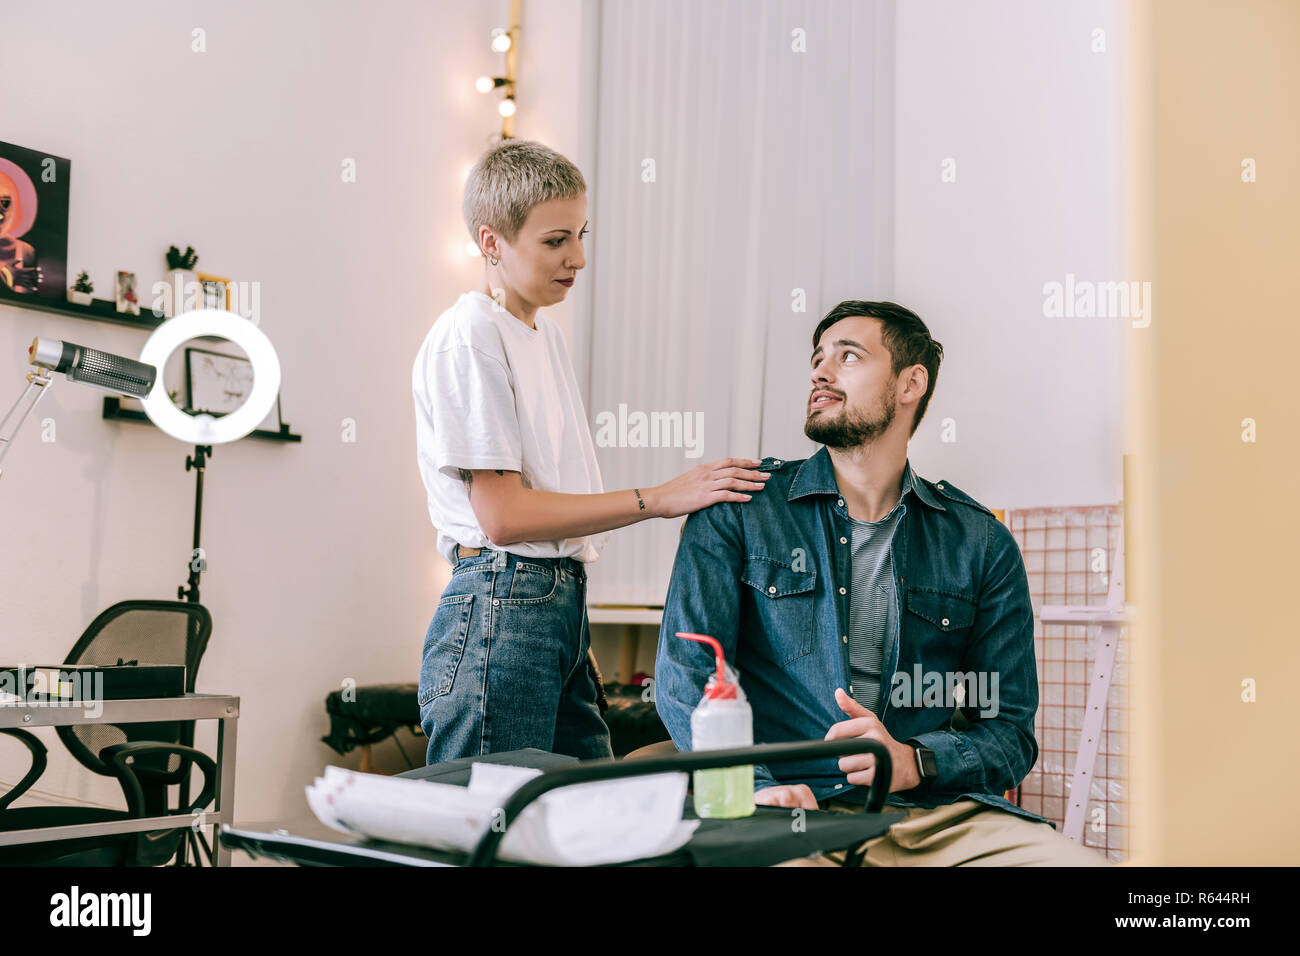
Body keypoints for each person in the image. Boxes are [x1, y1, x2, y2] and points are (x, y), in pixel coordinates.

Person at [654, 300, 1108, 865]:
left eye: (848, 356)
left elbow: (1010, 732)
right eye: (818, 358)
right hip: (786, 808)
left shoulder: (981, 542)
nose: (821, 371)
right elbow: (685, 678)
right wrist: (755, 789)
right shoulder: (739, 510)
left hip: (934, 815)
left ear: (910, 383)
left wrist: (914, 762)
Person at [412, 140, 770, 766]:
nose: (578, 257)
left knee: (586, 816)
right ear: (492, 242)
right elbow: (504, 518)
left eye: (580, 234)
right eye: (555, 241)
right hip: (503, 598)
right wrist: (657, 499)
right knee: (499, 830)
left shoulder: (540, 333)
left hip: (553, 602)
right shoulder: (468, 335)